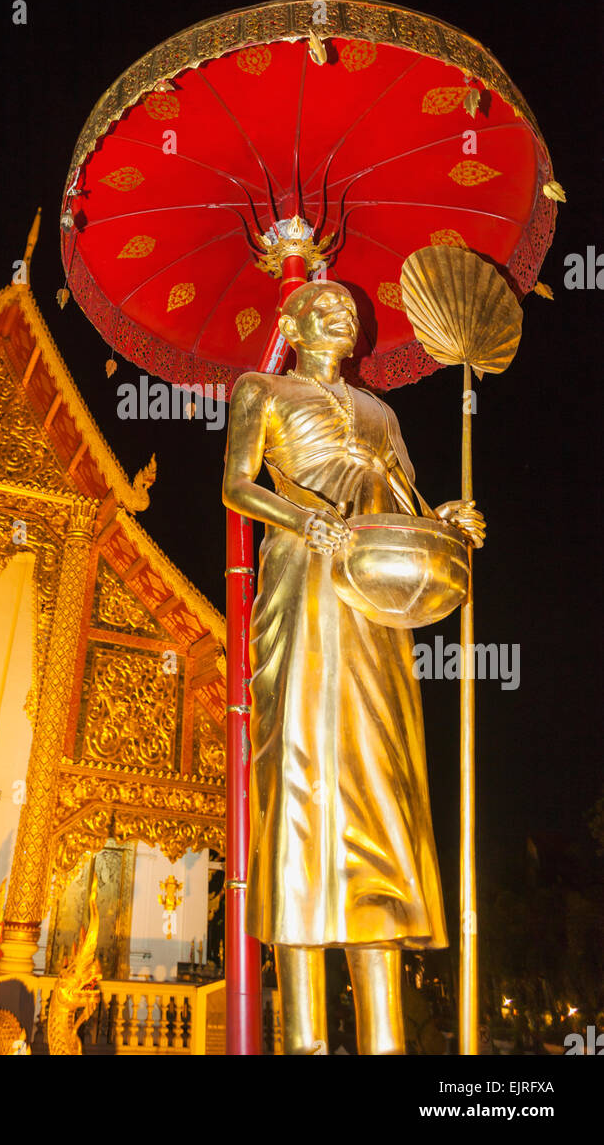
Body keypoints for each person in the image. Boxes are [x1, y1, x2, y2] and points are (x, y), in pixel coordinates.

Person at [222, 279, 484, 1055]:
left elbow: (405, 501)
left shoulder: (381, 413)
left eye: (349, 309)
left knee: (380, 775)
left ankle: (385, 1038)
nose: (341, 315)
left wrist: (445, 520)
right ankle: (303, 1037)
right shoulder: (262, 389)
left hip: (376, 594)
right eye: (324, 307)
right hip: (302, 583)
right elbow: (237, 485)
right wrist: (301, 516)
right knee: (301, 766)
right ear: (292, 321)